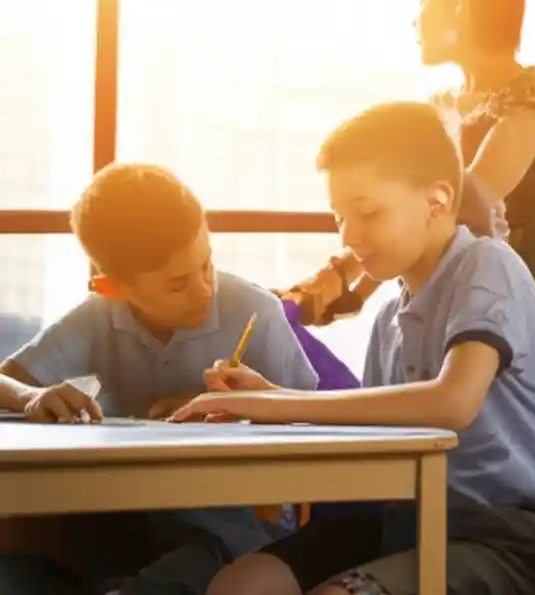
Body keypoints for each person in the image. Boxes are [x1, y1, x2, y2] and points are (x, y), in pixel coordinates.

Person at [172, 101, 535, 595]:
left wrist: (266, 404)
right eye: (339, 218)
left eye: (366, 212)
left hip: (513, 536)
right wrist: (270, 399)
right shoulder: (389, 318)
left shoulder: (486, 265)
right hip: (412, 526)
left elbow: (452, 402)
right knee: (242, 585)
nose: (348, 235)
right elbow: (377, 446)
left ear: (437, 201)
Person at [0, 163, 318, 595]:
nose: (206, 289)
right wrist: (31, 396)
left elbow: (315, 425)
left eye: (207, 264)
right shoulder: (97, 317)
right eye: (178, 284)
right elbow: (7, 379)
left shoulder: (255, 310)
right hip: (123, 520)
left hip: (231, 531)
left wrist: (241, 405)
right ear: (113, 289)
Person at [290, 0, 535, 330]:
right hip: (438, 299)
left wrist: (347, 277)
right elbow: (409, 208)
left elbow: (470, 199)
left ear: (460, 6)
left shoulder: (532, 89)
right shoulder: (441, 105)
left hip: (507, 310)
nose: (415, 17)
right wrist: (347, 284)